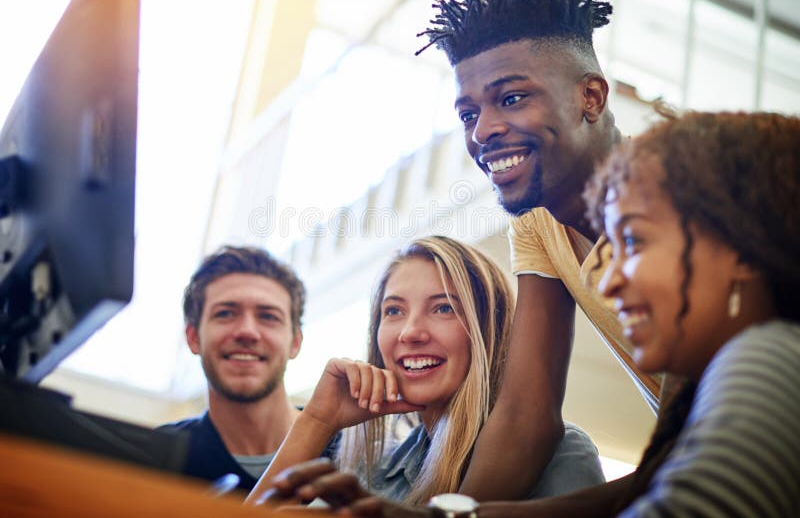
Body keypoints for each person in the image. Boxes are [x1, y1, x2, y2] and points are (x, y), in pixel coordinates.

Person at [265, 111, 800, 517]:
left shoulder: (767, 364)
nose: (606, 281)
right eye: (393, 310)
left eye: (632, 241)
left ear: (742, 250)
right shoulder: (740, 380)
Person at [420, 0, 663, 500]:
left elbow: (698, 459)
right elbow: (527, 413)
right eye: (467, 113)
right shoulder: (536, 222)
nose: (483, 131)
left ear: (590, 98)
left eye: (511, 98)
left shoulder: (680, 193)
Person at [248, 236, 604, 506]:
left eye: (443, 308)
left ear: (488, 331)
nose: (410, 332)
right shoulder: (372, 472)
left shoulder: (561, 452)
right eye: (394, 311)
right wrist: (317, 421)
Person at [160, 245, 325, 494]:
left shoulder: (350, 454)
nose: (247, 331)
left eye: (268, 316)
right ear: (193, 338)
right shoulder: (157, 458)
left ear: (295, 342)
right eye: (225, 313)